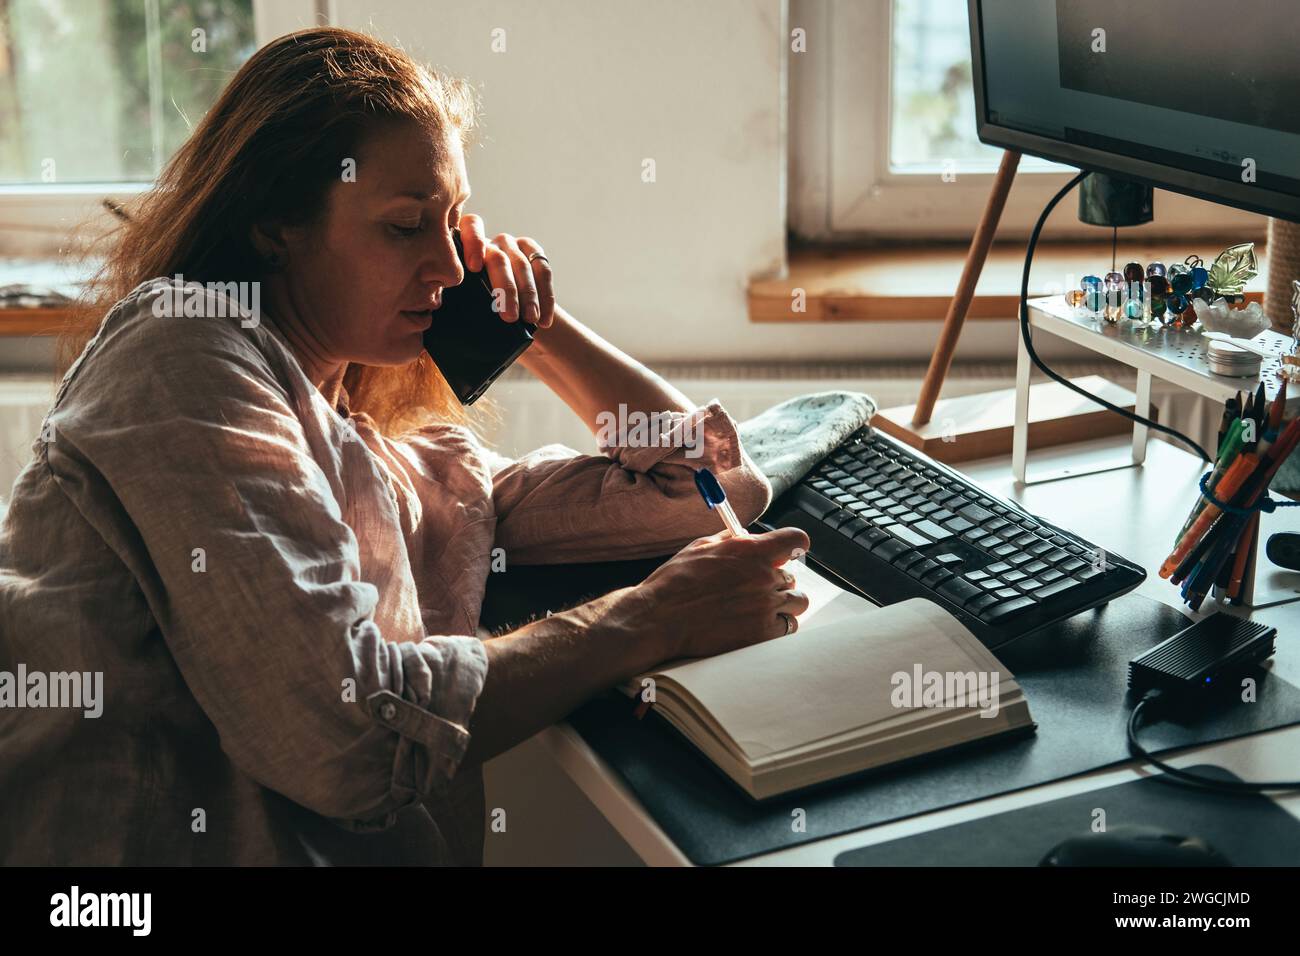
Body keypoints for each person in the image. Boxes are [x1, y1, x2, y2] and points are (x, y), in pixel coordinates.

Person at [0, 27, 808, 865]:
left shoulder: (398, 459)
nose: (449, 268)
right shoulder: (181, 349)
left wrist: (538, 329)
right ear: (276, 221)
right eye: (403, 227)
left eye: (453, 226)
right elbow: (348, 736)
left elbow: (709, 487)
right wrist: (652, 619)